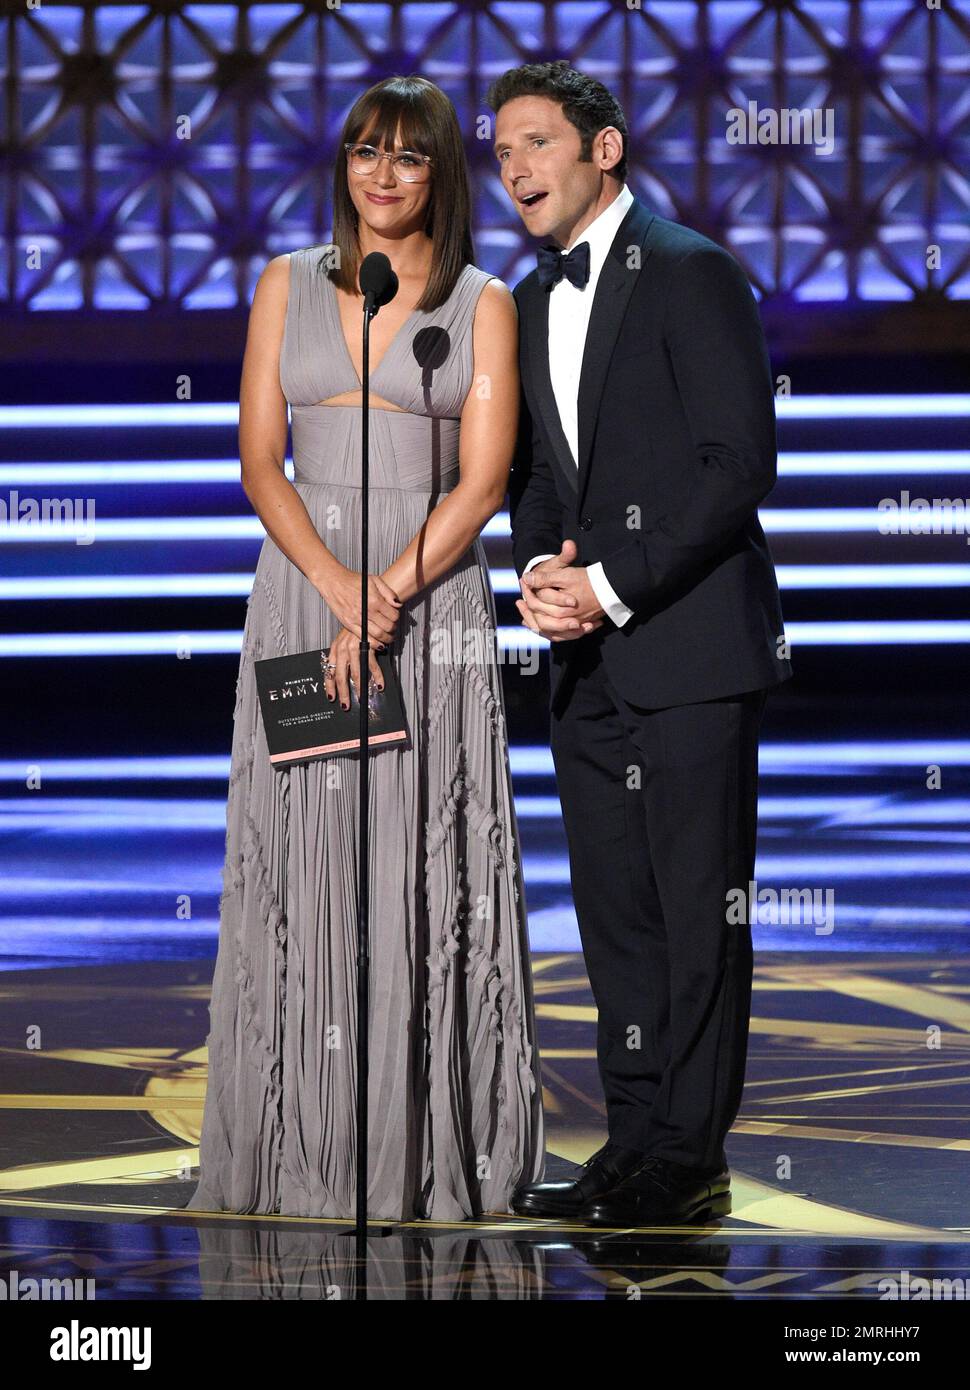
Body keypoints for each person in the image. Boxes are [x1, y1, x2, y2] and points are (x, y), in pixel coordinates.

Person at [185, 75, 544, 1223]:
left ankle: (426, 1150)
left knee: (419, 862)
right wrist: (339, 593)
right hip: (304, 605)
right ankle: (301, 1147)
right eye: (361, 153)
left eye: (407, 157)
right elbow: (258, 462)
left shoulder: (483, 302)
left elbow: (483, 480)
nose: (381, 177)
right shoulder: (284, 283)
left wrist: (383, 597)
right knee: (309, 863)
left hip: (427, 610)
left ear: (442, 170)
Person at [488, 60, 792, 1227]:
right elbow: (535, 481)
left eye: (534, 143)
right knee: (615, 910)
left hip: (690, 649)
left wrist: (609, 583)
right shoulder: (521, 299)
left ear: (601, 150)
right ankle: (629, 1135)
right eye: (502, 150)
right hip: (586, 661)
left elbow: (735, 468)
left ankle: (689, 1151)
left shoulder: (691, 272)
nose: (513, 167)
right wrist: (543, 573)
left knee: (693, 908)